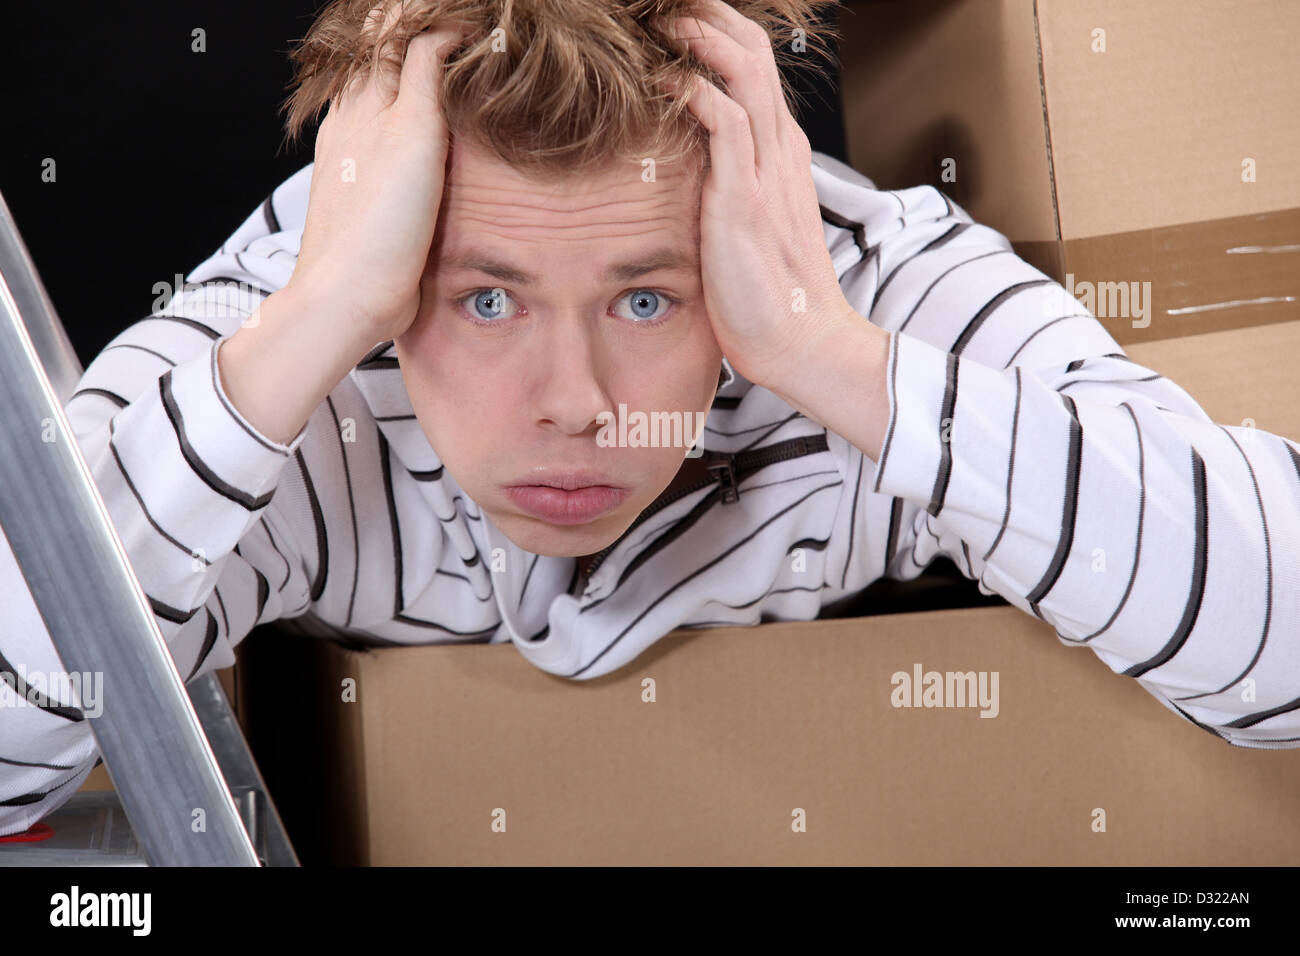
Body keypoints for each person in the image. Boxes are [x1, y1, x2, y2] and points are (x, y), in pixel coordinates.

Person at [3, 0, 1298, 839]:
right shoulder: (299, 323)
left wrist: (824, 354)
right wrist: (305, 331)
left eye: (644, 296)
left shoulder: (850, 280)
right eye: (488, 298)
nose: (574, 407)